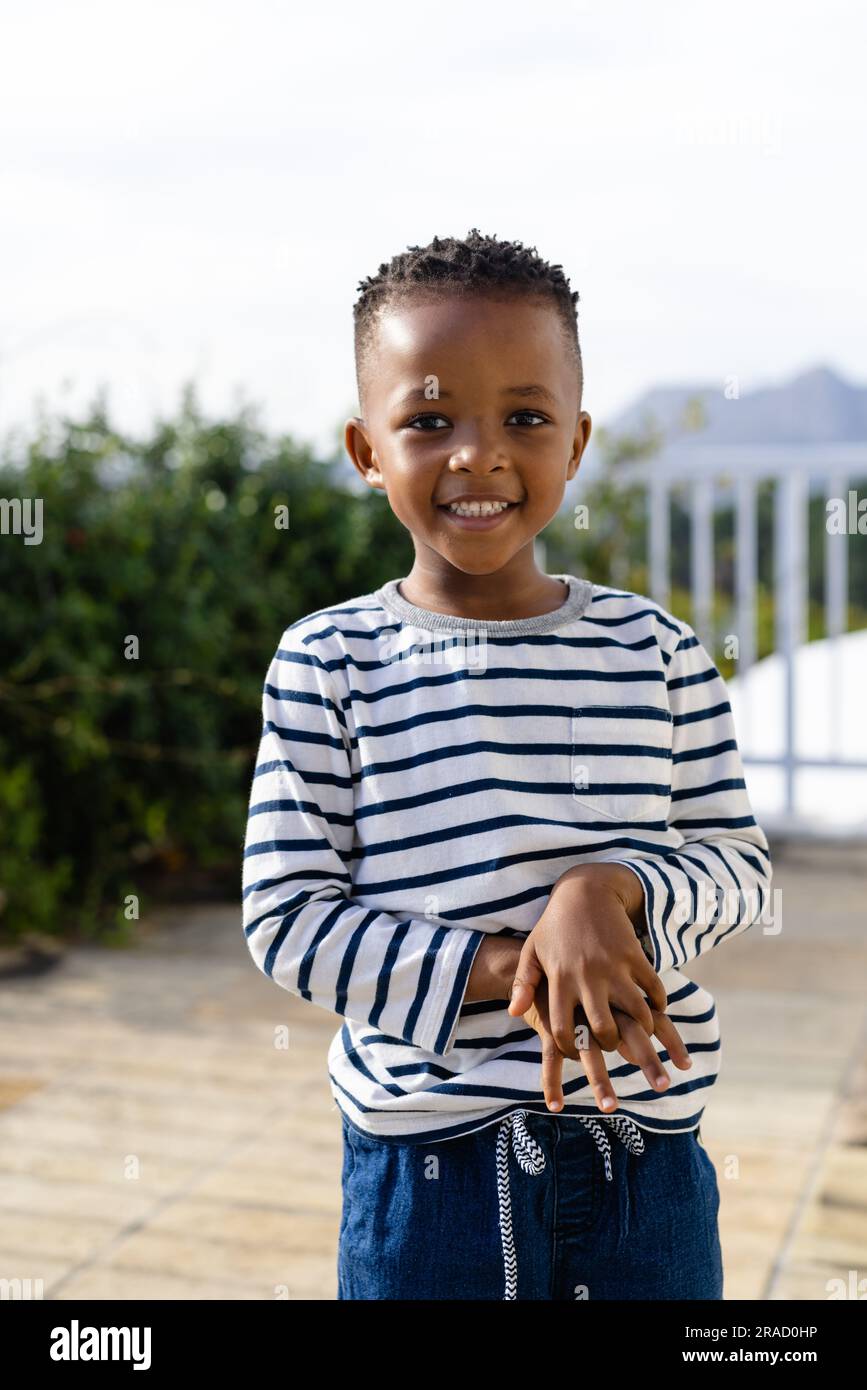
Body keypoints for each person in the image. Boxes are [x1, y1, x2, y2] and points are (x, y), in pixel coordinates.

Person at [240, 229, 773, 1300]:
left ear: (575, 442)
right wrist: (518, 966)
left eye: (523, 419)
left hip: (645, 1170)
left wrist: (607, 891)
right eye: (428, 420)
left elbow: (741, 874)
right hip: (424, 1180)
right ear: (365, 450)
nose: (478, 454)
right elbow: (287, 918)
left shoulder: (657, 653)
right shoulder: (328, 661)